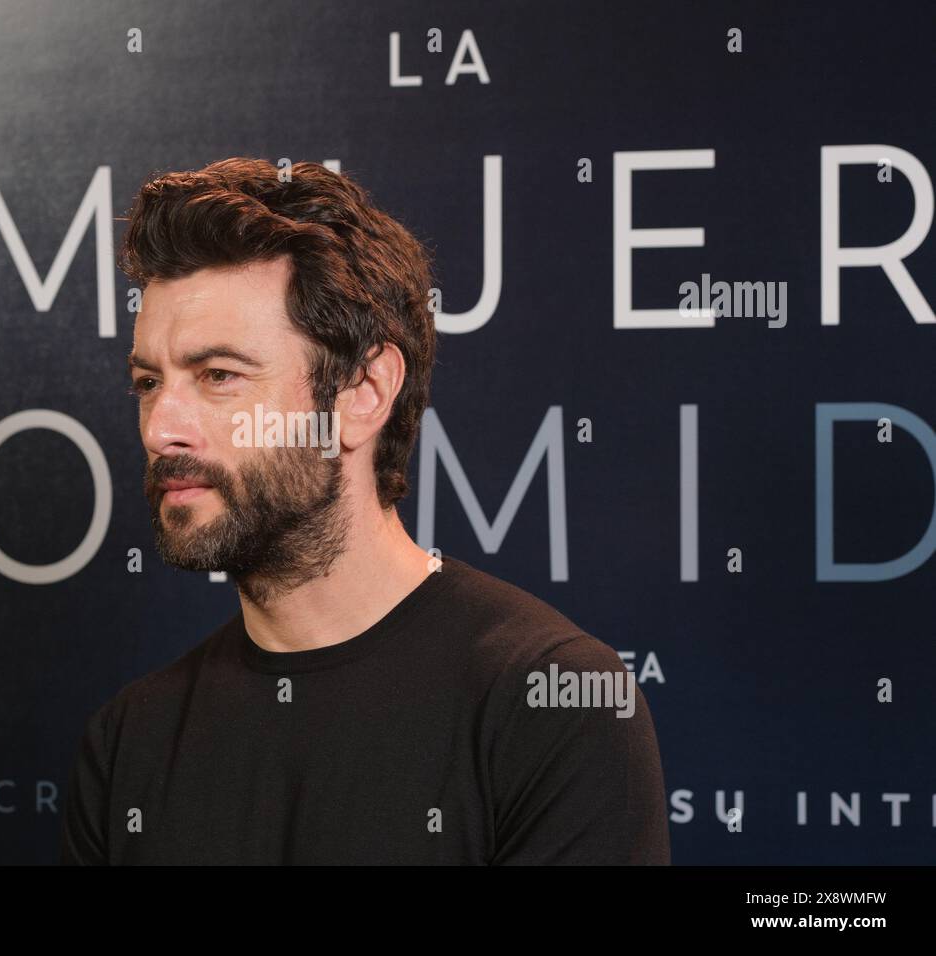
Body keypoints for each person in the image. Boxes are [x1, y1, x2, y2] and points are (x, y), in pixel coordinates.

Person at [59, 158, 669, 864]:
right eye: (147, 381)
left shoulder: (552, 707)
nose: (160, 427)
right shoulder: (130, 742)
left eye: (218, 376)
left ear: (364, 394)